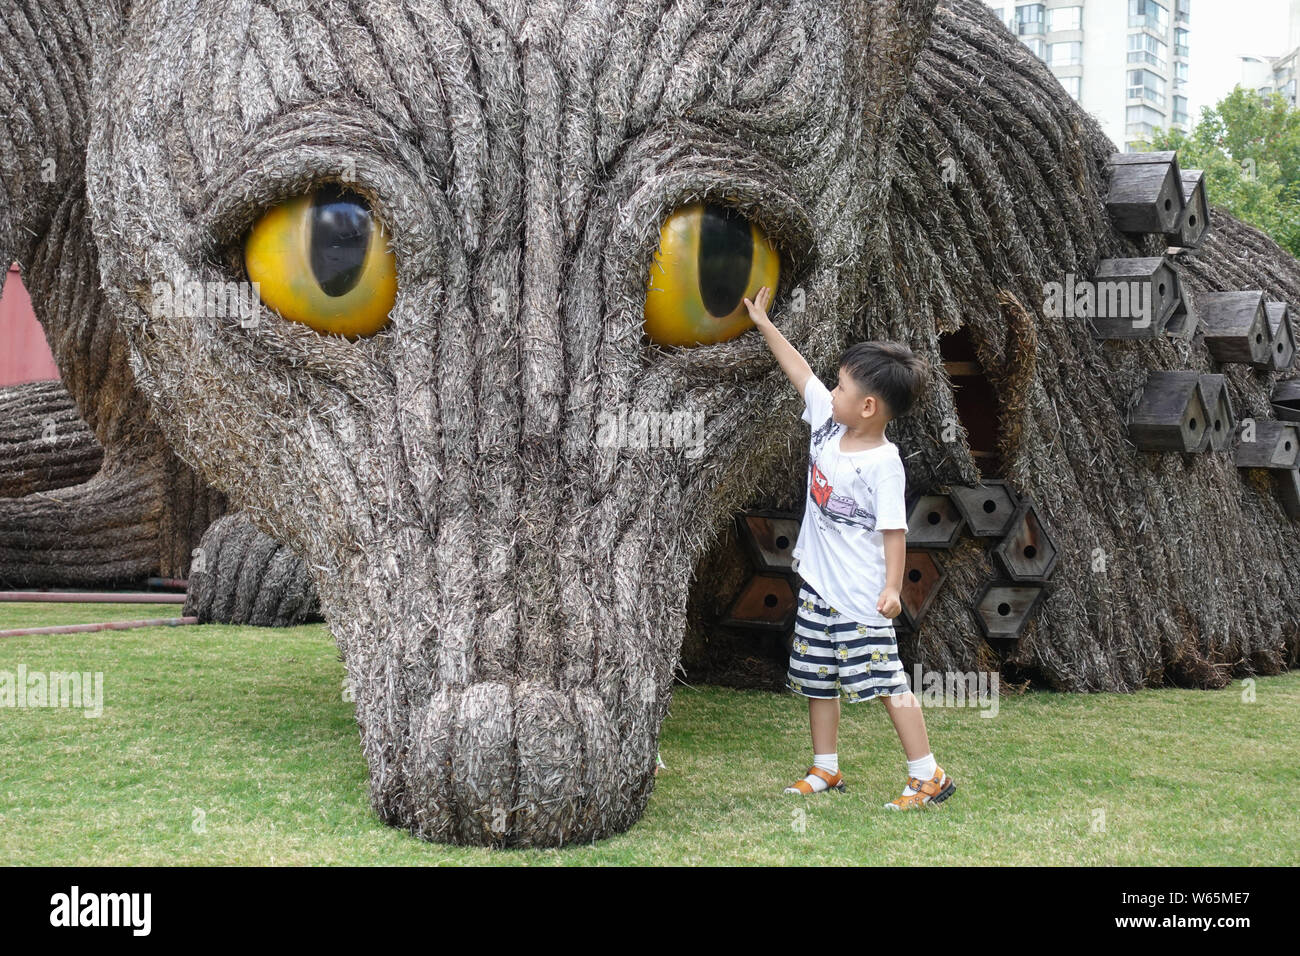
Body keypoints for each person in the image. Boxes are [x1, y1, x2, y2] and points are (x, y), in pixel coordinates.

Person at [743, 286, 956, 810]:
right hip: (817, 588)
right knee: (819, 678)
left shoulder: (885, 463)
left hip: (861, 597)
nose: (830, 393)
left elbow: (894, 533)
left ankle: (928, 775)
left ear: (867, 405)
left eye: (841, 388)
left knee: (889, 682)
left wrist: (890, 588)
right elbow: (800, 372)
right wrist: (764, 323)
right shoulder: (827, 425)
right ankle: (826, 769)